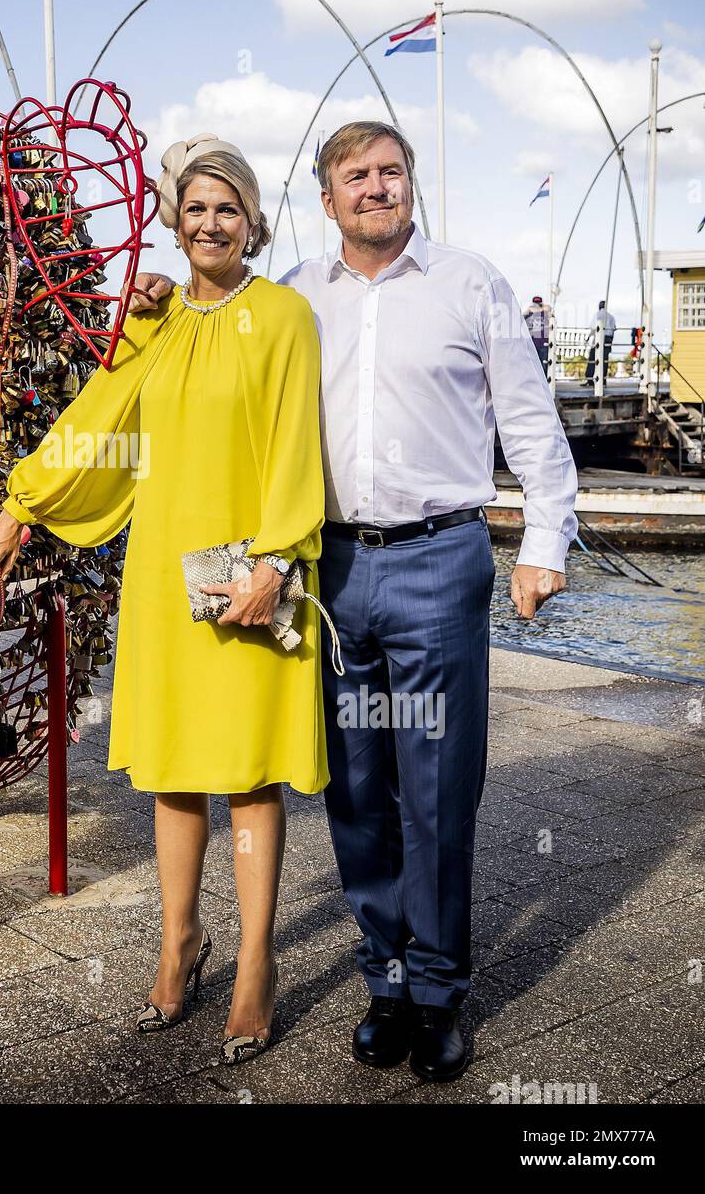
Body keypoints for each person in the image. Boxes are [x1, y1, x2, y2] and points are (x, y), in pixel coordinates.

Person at [128, 121, 578, 1082]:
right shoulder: (292, 297)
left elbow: (530, 421)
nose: (376, 188)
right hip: (328, 570)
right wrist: (154, 302)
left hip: (438, 557)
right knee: (357, 788)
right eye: (355, 176)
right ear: (325, 199)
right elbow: (210, 355)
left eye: (390, 172)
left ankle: (438, 991)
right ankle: (384, 978)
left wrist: (543, 544)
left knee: (437, 786)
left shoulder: (471, 284)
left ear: (409, 183)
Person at [0, 136, 325, 1065]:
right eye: (195, 208)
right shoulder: (151, 319)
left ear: (252, 221)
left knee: (249, 772)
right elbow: (97, 424)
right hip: (165, 573)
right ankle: (179, 941)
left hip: (249, 571)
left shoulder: (284, 315)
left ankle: (254, 961)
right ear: (173, 223)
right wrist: (20, 507)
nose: (210, 223)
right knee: (174, 768)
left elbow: (297, 443)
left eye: (228, 208)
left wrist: (276, 560)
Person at [585, 299, 616, 384]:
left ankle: (589, 379)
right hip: (608, 339)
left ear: (599, 306)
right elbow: (614, 329)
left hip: (599, 338)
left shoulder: (597, 315)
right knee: (604, 360)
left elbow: (593, 328)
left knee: (592, 358)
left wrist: (588, 338)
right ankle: (603, 379)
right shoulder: (611, 316)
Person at [522, 294, 551, 371]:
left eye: (538, 304)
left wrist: (541, 308)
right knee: (533, 367)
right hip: (533, 344)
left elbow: (550, 308)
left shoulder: (545, 312)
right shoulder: (529, 313)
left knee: (544, 367)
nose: (537, 306)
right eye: (535, 304)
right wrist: (529, 309)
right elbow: (521, 317)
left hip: (543, 344)